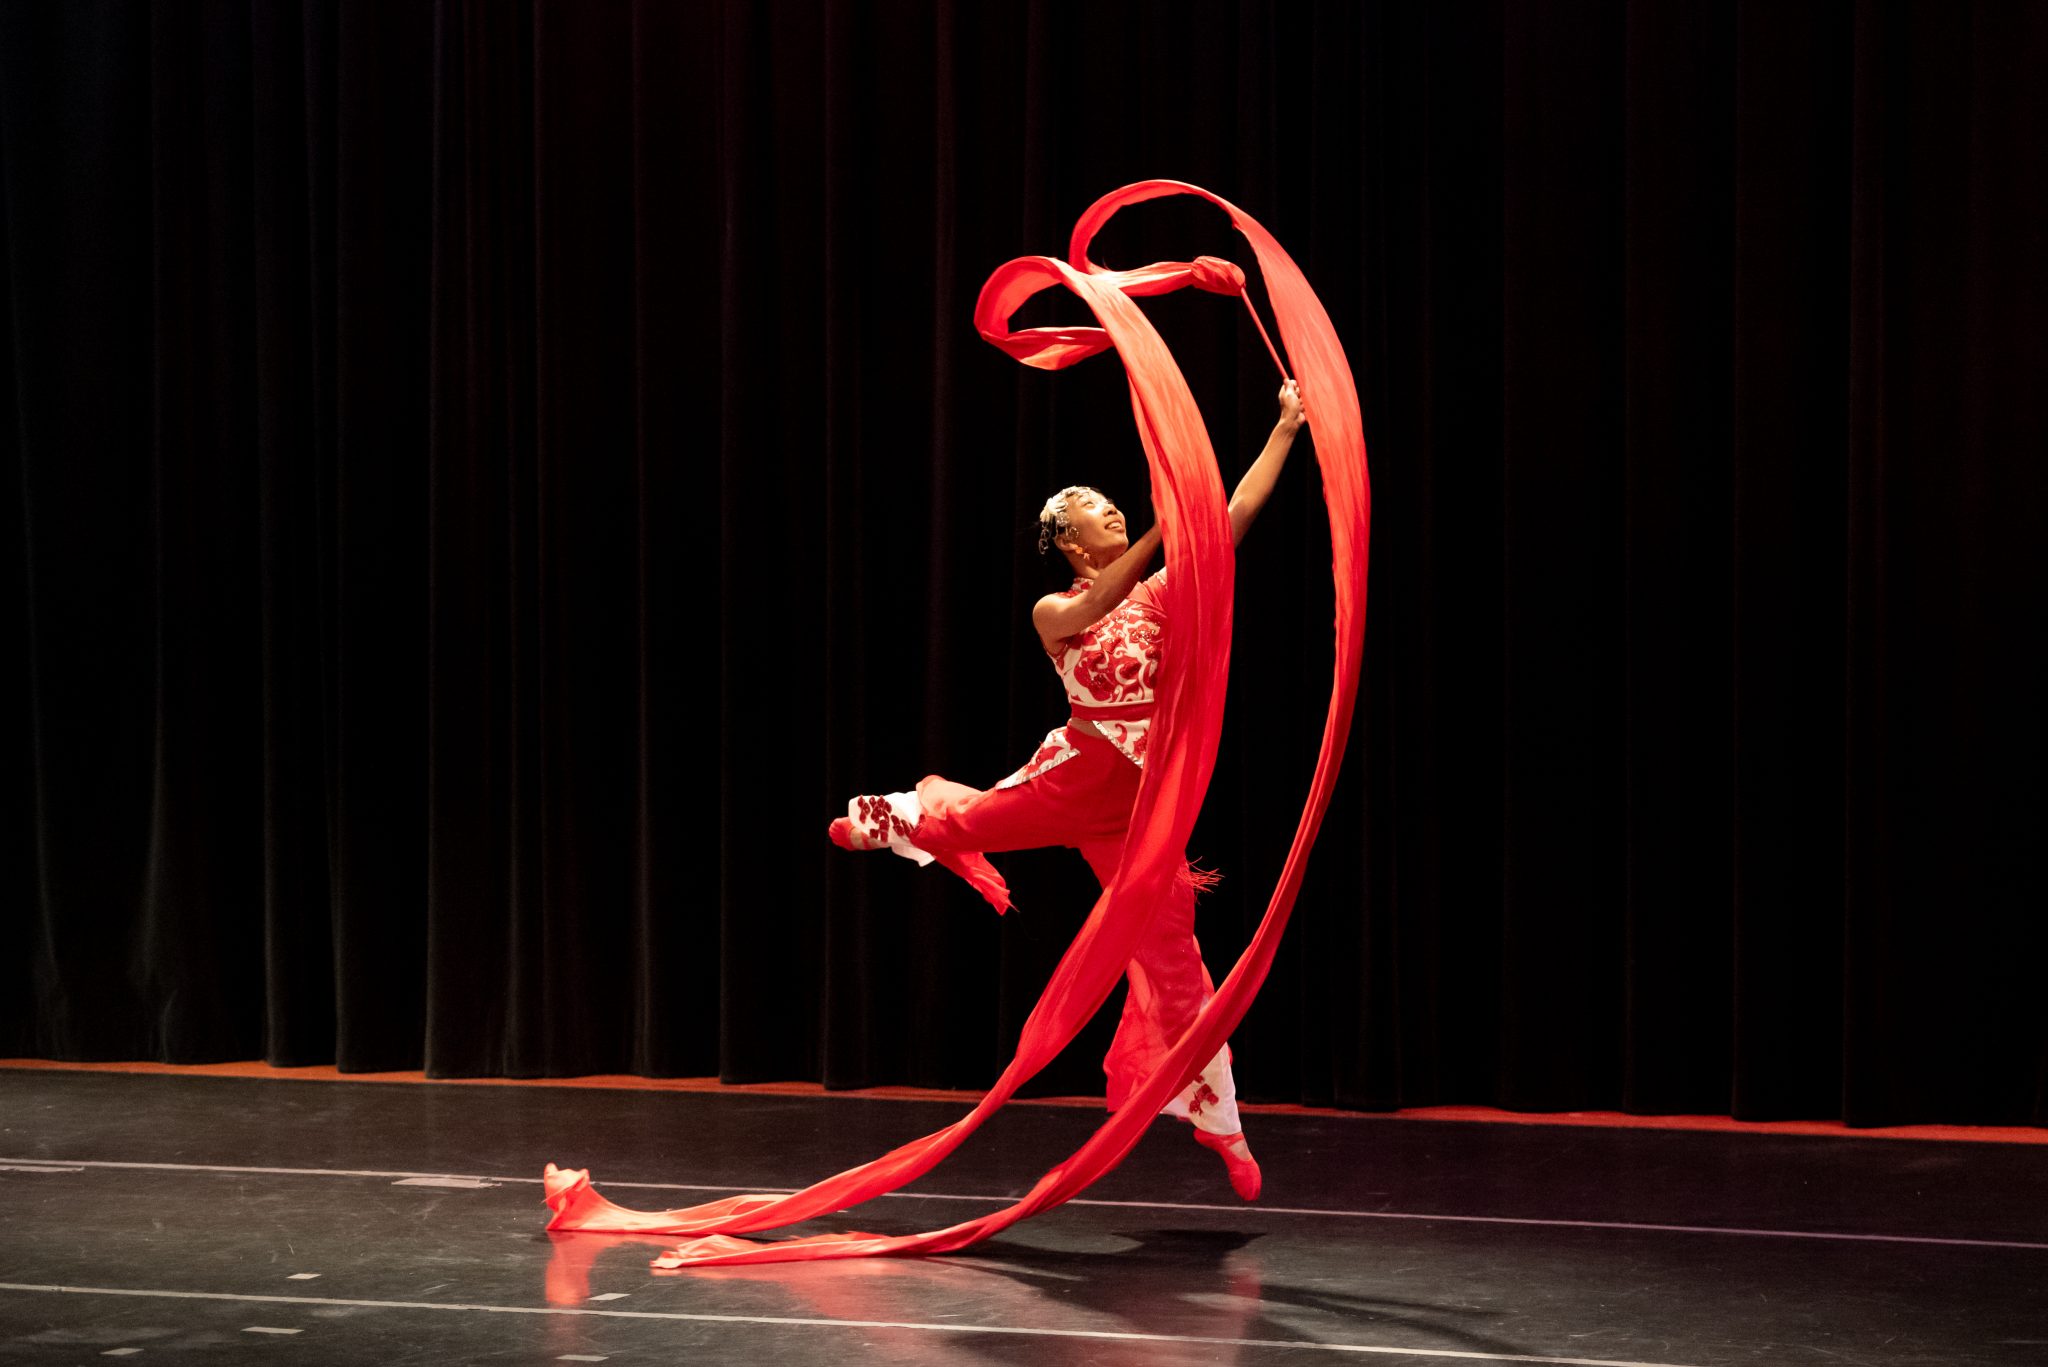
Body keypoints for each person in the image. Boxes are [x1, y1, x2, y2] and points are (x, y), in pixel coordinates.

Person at [831, 379, 1307, 1201]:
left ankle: (1220, 1121)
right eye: (1096, 509)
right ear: (1068, 538)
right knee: (980, 817)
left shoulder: (1159, 594)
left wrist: (1286, 429)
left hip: (1144, 807)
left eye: (1115, 506)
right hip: (1082, 773)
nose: (1112, 510)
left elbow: (1231, 519)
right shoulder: (1055, 609)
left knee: (1175, 959)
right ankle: (890, 819)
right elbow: (1104, 593)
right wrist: (1163, 528)